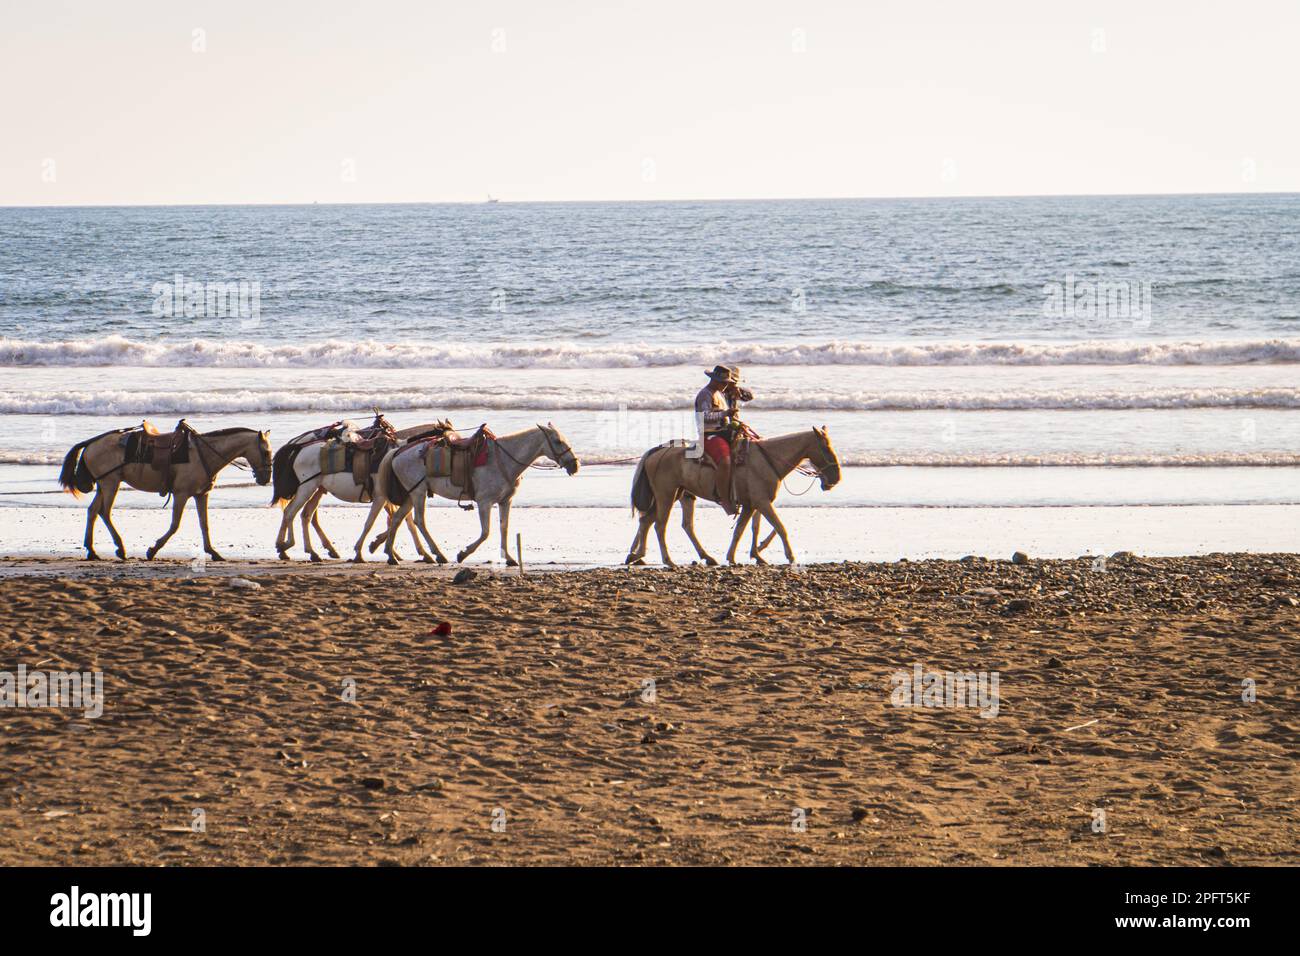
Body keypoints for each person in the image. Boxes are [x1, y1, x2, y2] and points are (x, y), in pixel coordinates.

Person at [694, 364, 753, 515]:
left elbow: (749, 396)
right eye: (725, 382)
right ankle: (724, 498)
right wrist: (725, 414)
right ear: (715, 381)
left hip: (724, 432)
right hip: (710, 434)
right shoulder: (705, 394)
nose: (727, 385)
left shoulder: (720, 393)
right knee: (725, 461)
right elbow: (704, 416)